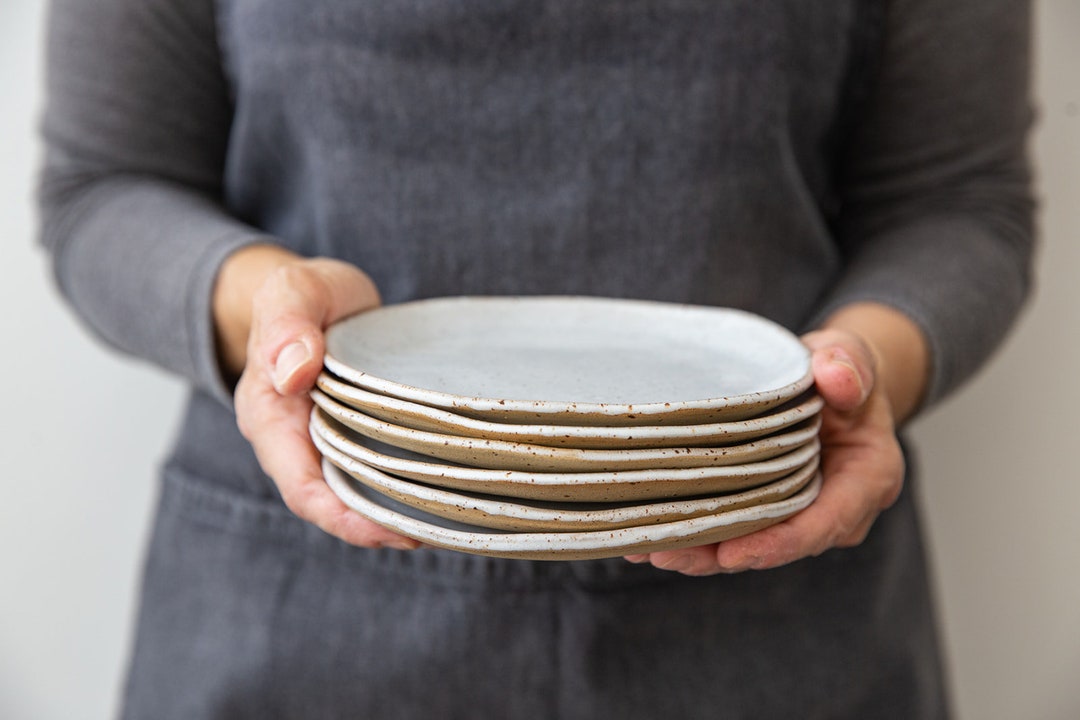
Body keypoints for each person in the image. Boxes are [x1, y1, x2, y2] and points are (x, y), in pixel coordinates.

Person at [38, 0, 1035, 717]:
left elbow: (957, 203)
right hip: (295, 613)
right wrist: (270, 310)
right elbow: (107, 186)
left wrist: (867, 368)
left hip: (776, 615)